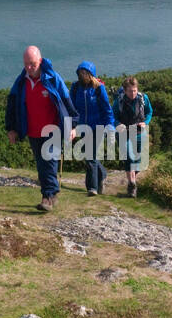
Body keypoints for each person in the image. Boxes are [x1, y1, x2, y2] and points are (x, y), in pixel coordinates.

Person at [6, 45, 77, 212]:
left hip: (52, 130)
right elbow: (12, 105)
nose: (29, 68)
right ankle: (52, 195)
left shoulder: (53, 78)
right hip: (32, 130)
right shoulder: (21, 81)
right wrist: (11, 129)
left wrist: (72, 126)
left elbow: (67, 102)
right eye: (26, 64)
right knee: (41, 164)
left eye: (32, 64)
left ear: (40, 60)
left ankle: (47, 197)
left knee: (49, 162)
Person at [70, 61, 115, 196]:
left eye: (85, 73)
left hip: (98, 126)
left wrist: (110, 127)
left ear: (91, 74)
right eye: (80, 73)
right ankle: (103, 174)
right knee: (88, 154)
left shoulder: (98, 88)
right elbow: (71, 108)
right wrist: (71, 126)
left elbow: (107, 109)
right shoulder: (75, 88)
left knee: (90, 156)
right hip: (83, 127)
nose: (82, 75)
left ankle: (92, 187)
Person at [112, 76, 152, 197]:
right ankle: (132, 185)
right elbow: (112, 116)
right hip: (124, 132)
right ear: (124, 90)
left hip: (139, 132)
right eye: (130, 91)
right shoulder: (118, 101)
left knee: (138, 160)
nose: (133, 93)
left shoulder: (143, 98)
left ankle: (132, 177)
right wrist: (118, 124)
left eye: (134, 90)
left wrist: (146, 122)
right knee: (129, 157)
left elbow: (149, 112)